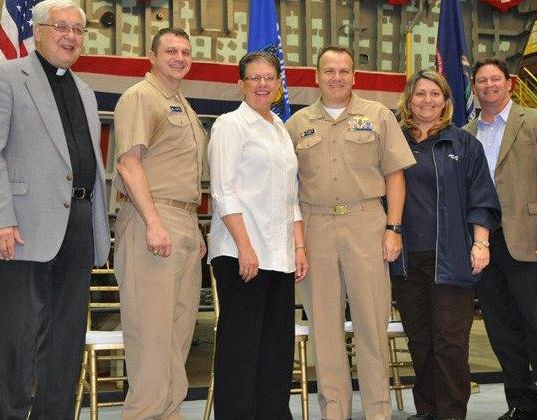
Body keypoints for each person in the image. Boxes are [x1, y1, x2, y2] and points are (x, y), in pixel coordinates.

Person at [0, 0, 110, 418]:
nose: (70, 35)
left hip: (77, 228)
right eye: (60, 26)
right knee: (15, 341)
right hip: (20, 229)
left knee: (67, 342)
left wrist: (98, 229)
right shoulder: (5, 76)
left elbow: (88, 164)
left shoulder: (85, 91)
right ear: (37, 30)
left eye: (78, 29)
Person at [285, 46, 415, 420]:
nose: (337, 77)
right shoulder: (297, 124)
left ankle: (377, 412)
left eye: (344, 70)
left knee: (371, 326)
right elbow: (284, 185)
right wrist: (297, 243)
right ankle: (334, 411)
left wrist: (393, 228)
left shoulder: (377, 116)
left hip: (367, 225)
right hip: (315, 227)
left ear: (354, 76)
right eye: (329, 71)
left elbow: (395, 175)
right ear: (316, 76)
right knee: (324, 330)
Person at [465, 58, 537, 420]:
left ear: (509, 83)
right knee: (501, 330)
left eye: (495, 78)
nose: (489, 85)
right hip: (484, 244)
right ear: (474, 87)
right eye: (482, 80)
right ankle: (521, 403)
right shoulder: (467, 134)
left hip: (530, 239)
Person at [389, 70, 500, 420]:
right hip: (406, 261)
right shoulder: (395, 141)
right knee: (420, 342)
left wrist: (480, 243)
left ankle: (451, 413)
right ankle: (427, 409)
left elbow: (482, 198)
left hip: (451, 259)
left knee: (450, 343)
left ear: (446, 101)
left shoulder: (464, 144)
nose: (427, 101)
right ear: (409, 100)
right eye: (420, 94)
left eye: (434, 94)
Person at [207, 51, 309, 420]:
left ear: (279, 85)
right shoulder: (230, 125)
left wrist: (298, 247)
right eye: (255, 78)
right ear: (241, 84)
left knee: (275, 348)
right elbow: (223, 191)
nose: (263, 84)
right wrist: (245, 247)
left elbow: (290, 197)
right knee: (241, 347)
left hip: (279, 256)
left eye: (270, 77)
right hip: (241, 254)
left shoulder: (280, 130)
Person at [112, 27, 207, 419]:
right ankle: (143, 413)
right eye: (170, 50)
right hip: (152, 217)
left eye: (185, 51)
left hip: (183, 220)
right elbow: (128, 162)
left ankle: (169, 411)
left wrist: (195, 228)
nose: (179, 57)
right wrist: (153, 221)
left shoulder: (182, 103)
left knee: (178, 330)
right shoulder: (141, 97)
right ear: (151, 56)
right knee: (151, 333)